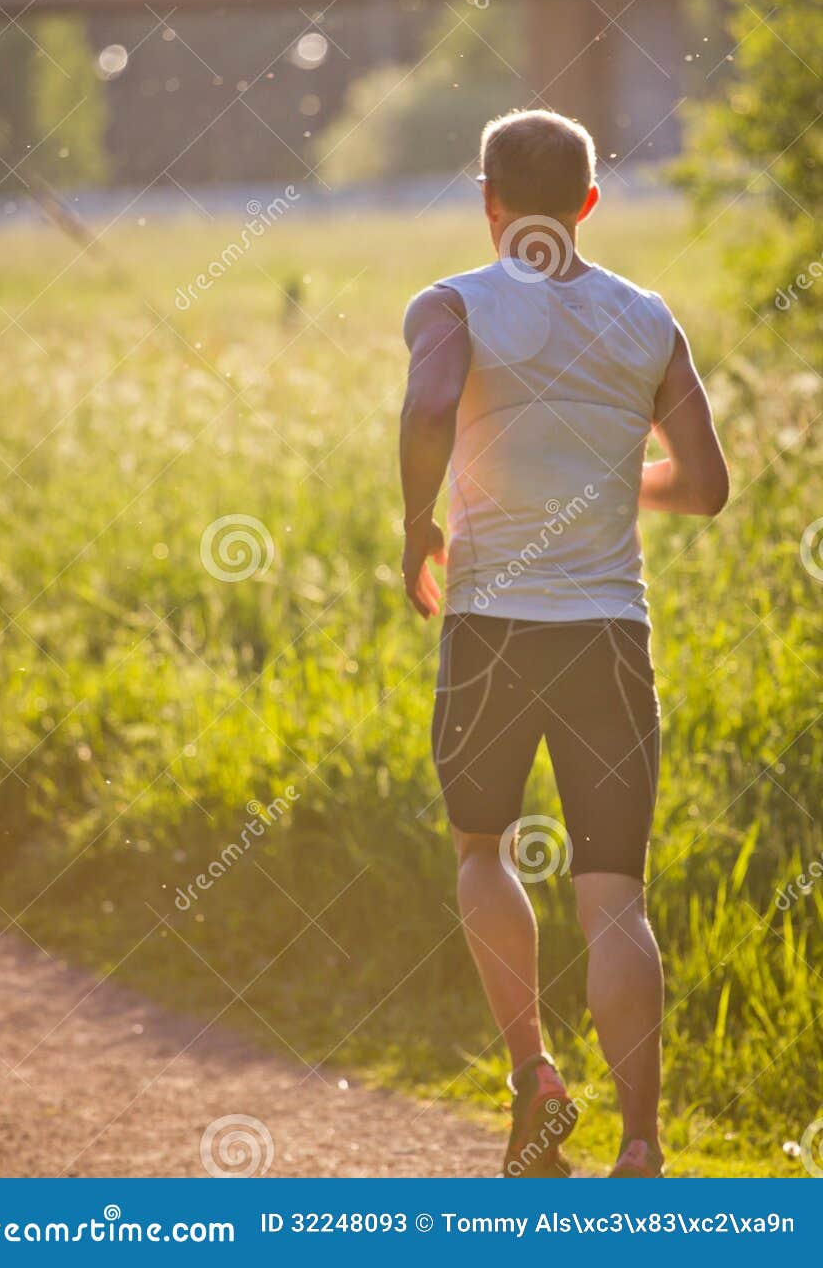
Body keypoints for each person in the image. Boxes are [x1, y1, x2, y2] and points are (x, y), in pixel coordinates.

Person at [399, 109, 728, 1179]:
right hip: (608, 637)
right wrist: (610, 482)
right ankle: (640, 1142)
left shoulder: (451, 304)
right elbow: (705, 486)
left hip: (491, 630)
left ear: (486, 201)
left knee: (481, 850)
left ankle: (532, 1073)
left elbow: (430, 408)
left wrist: (417, 524)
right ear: (587, 202)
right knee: (613, 893)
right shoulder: (647, 320)